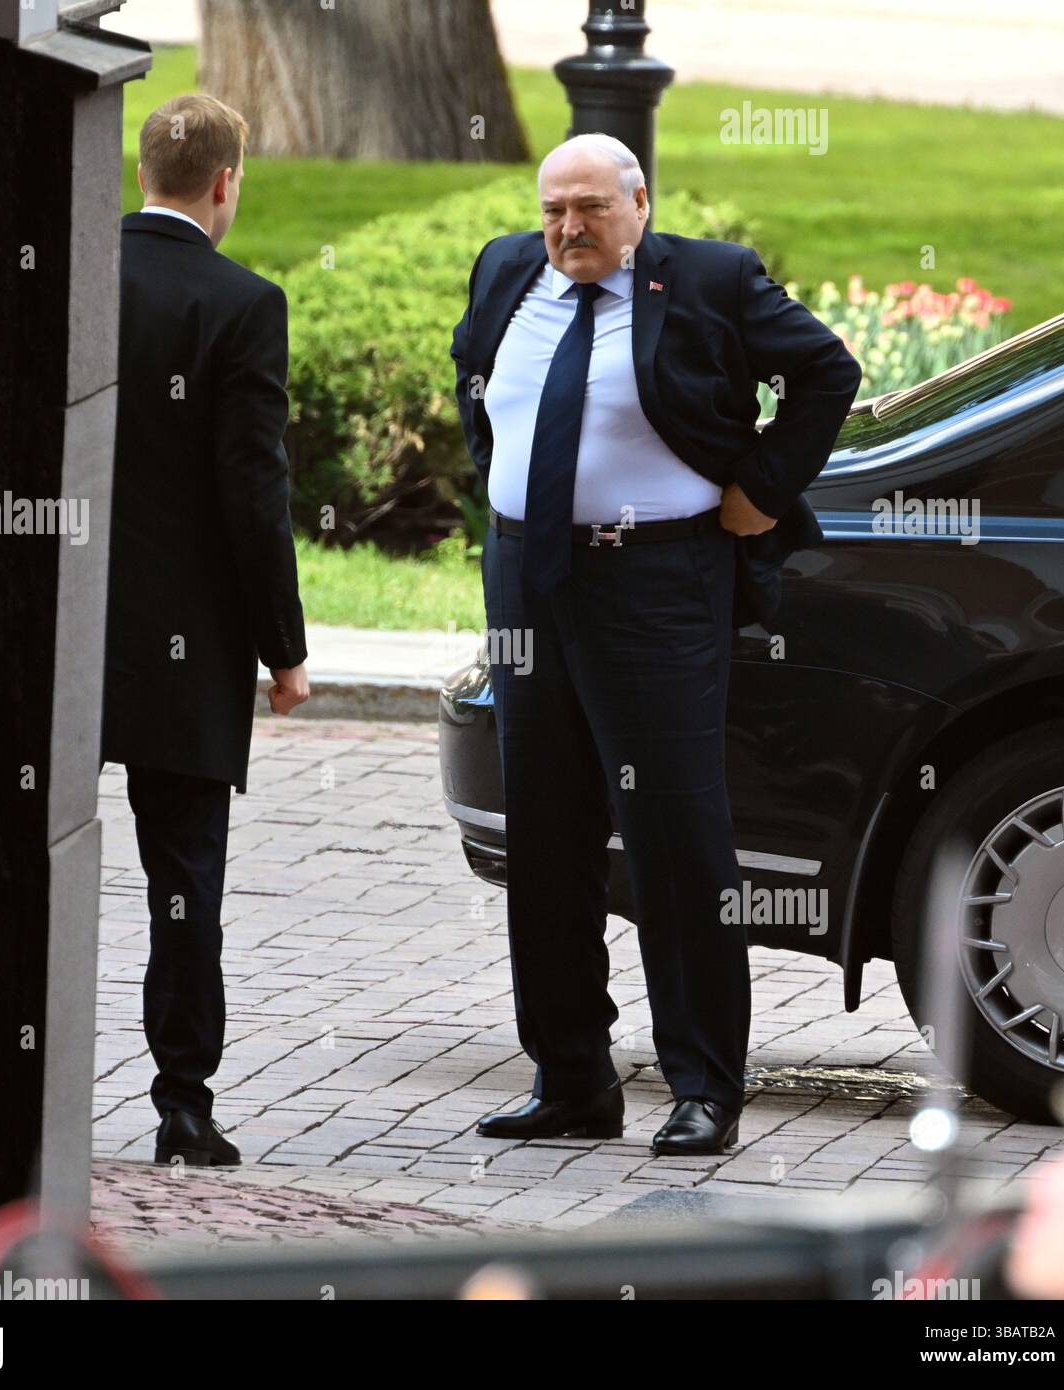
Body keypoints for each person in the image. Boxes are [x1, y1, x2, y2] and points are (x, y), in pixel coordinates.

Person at [451, 133, 862, 1155]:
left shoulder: (709, 280)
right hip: (526, 580)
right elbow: (477, 383)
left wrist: (758, 493)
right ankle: (569, 1077)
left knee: (675, 834)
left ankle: (702, 1085)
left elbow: (823, 370)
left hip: (654, 584)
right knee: (542, 830)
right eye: (553, 210)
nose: (568, 229)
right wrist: (507, 504)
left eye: (590, 207)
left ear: (638, 201)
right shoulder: (508, 268)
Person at [102, 94, 309, 1168]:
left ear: (145, 169)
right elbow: (250, 490)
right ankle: (183, 1101)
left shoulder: (79, 276)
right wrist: (283, 647)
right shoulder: (242, 302)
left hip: (64, 630)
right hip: (184, 650)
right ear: (225, 182)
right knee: (183, 876)